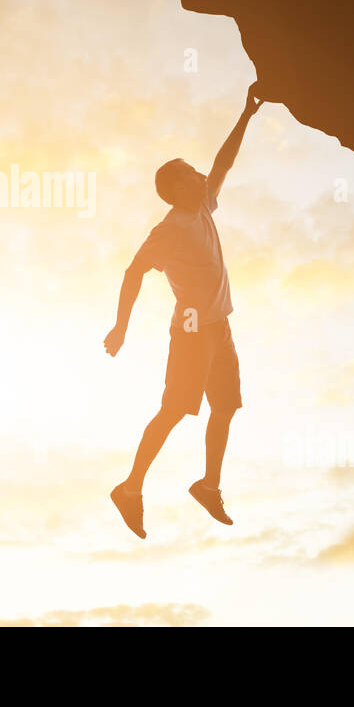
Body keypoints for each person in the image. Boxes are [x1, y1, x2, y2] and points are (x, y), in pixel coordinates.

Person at [103, 80, 262, 538]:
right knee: (174, 411)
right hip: (192, 331)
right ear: (176, 188)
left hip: (220, 329)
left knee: (226, 407)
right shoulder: (168, 231)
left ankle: (209, 486)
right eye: (191, 173)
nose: (201, 175)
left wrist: (247, 115)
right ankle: (129, 490)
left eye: (197, 171)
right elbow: (133, 273)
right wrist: (120, 328)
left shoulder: (205, 206)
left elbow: (224, 161)